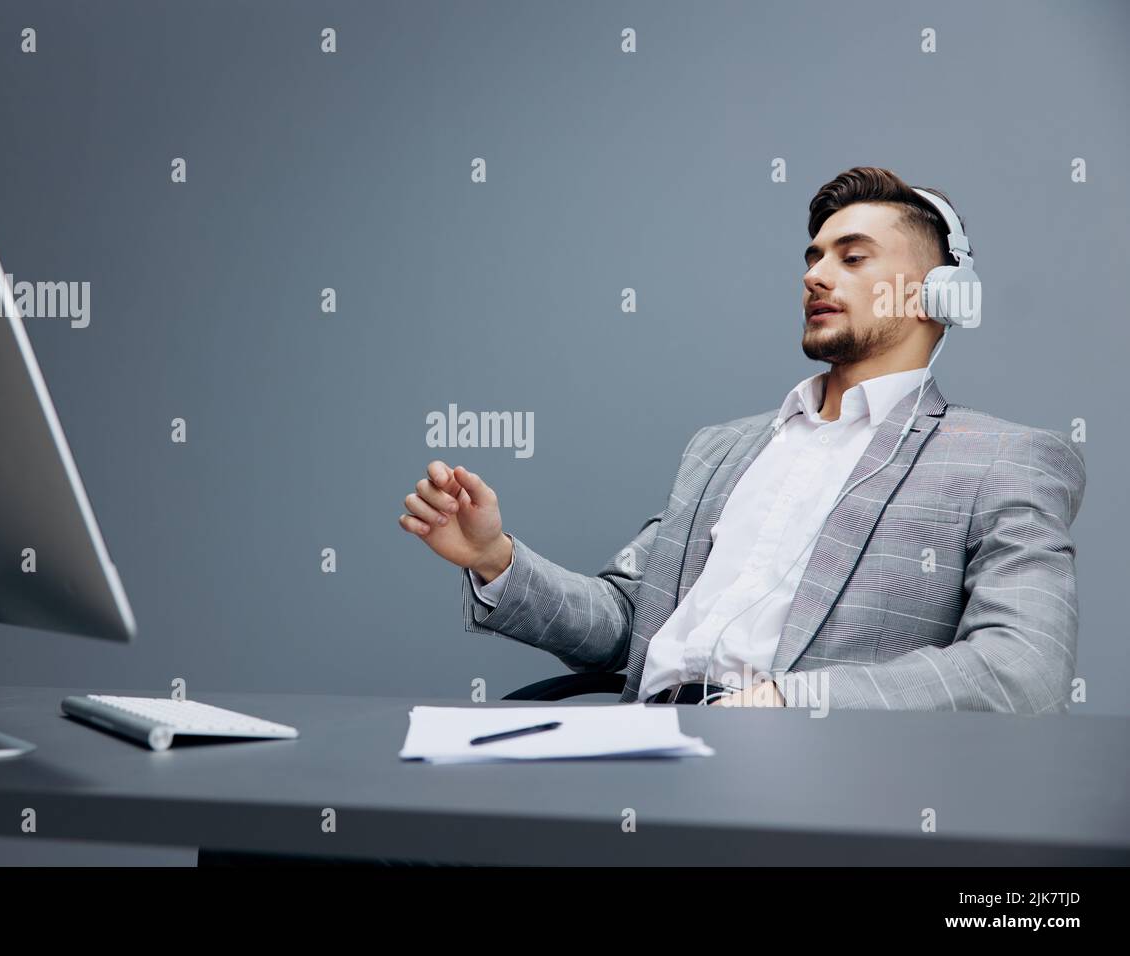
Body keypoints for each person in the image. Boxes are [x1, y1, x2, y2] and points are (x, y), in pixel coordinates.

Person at [398, 167, 1085, 713]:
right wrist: (495, 558)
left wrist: (793, 701)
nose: (815, 274)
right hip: (638, 749)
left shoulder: (1002, 461)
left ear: (938, 294)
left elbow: (1021, 671)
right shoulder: (722, 449)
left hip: (803, 785)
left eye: (853, 258)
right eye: (814, 257)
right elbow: (626, 624)